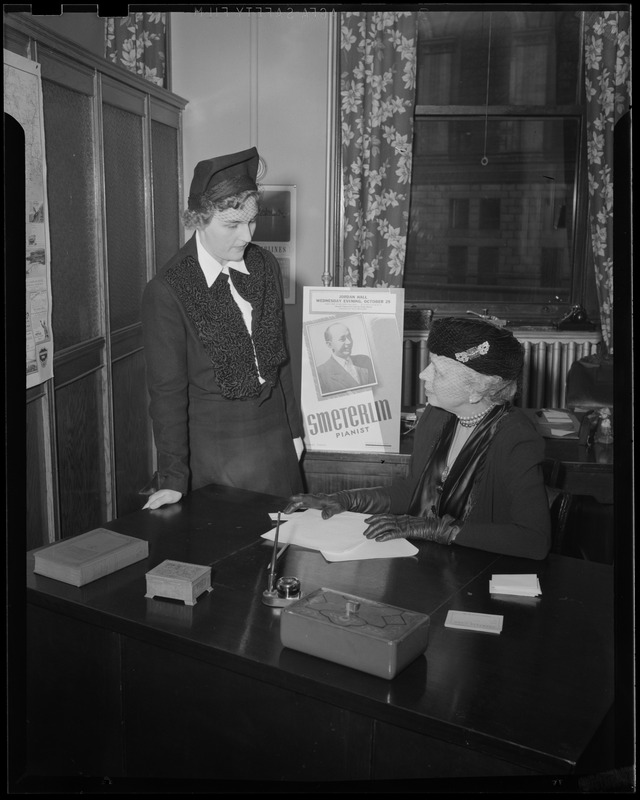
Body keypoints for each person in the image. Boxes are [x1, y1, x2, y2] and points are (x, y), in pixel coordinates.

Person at [285, 316, 551, 560]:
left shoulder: (516, 438)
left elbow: (533, 540)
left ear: (478, 389)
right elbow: (414, 489)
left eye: (438, 370)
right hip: (432, 562)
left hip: (479, 574)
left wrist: (435, 529)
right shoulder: (436, 416)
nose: (423, 374)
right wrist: (345, 500)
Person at [141, 147, 304, 510]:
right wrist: (172, 477)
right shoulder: (167, 289)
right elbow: (166, 395)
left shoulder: (264, 265)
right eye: (231, 225)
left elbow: (282, 360)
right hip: (217, 451)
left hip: (276, 441)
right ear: (199, 219)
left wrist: (294, 432)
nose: (246, 235)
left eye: (252, 221)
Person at [316, 322, 375, 394]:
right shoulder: (321, 374)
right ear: (329, 344)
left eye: (349, 336)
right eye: (342, 339)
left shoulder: (365, 361)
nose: (349, 342)